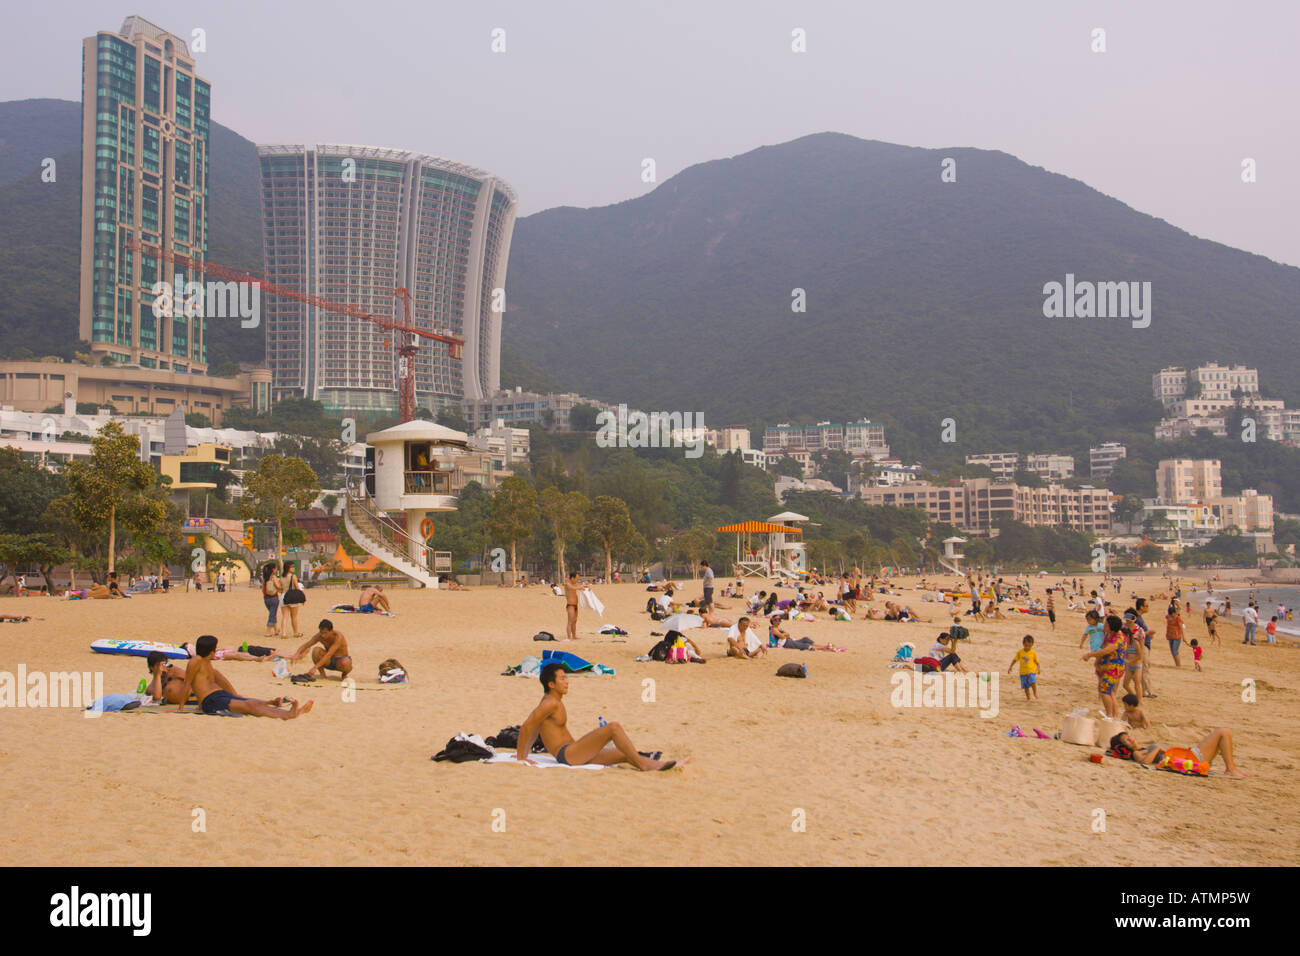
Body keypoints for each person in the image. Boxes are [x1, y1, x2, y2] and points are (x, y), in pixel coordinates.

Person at [516, 663, 679, 770]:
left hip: (576, 752)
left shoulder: (552, 701)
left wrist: (525, 752)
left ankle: (661, 765)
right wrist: (521, 756)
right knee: (613, 727)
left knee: (624, 754)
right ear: (551, 684)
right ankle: (645, 765)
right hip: (567, 755)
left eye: (567, 677)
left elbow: (536, 729)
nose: (567, 682)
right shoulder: (550, 703)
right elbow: (527, 726)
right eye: (563, 678)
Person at [175, 634, 311, 718]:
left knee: (249, 701)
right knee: (248, 706)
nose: (216, 650)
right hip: (211, 701)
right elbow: (188, 683)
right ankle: (288, 715)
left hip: (218, 695)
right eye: (214, 648)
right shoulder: (195, 661)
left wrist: (235, 694)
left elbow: (212, 681)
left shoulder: (208, 663)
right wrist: (180, 708)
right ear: (210, 650)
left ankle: (283, 708)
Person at [1108, 729, 1246, 779]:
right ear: (1124, 746)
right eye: (1127, 740)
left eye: (1129, 736)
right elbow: (1145, 762)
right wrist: (1158, 749)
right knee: (1223, 732)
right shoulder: (1137, 753)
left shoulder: (1142, 747)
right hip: (1188, 759)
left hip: (1187, 757)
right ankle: (1230, 769)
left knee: (1223, 735)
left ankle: (1231, 768)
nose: (1130, 739)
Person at [1083, 615, 1125, 718]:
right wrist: (1097, 661)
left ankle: (1110, 714)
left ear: (1111, 627)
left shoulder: (1119, 638)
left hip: (1114, 668)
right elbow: (1103, 648)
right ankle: (1114, 715)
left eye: (1106, 624)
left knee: (1105, 690)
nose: (1104, 625)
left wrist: (1090, 655)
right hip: (1106, 666)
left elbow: (1107, 650)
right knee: (1109, 692)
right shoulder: (1108, 634)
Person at [1120, 611, 1148, 698]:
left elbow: (1141, 648)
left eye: (1129, 620)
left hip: (1136, 661)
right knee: (1127, 684)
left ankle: (1139, 700)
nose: (1127, 622)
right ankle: (1135, 697)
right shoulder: (1125, 628)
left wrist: (1133, 659)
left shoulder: (1139, 631)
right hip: (1130, 661)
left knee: (1137, 683)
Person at [1008, 634, 1040, 700]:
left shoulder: (1033, 653)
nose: (1027, 647)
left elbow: (1037, 662)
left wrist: (1038, 669)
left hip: (1031, 671)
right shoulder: (1020, 652)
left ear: (1032, 645)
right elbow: (1014, 660)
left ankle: (1035, 693)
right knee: (1026, 687)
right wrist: (1010, 667)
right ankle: (1028, 698)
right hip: (1022, 673)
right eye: (1026, 646)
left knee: (1032, 681)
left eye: (1029, 646)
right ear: (1023, 644)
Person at [280, 563, 306, 639]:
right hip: (292, 596)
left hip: (283, 596)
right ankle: (295, 632)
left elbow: (279, 587)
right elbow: (297, 587)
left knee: (285, 616)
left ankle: (284, 633)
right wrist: (303, 598)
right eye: (292, 567)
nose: (294, 568)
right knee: (294, 616)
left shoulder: (282, 577)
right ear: (288, 568)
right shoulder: (293, 576)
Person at [260, 564, 283, 638]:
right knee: (272, 615)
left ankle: (276, 630)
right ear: (273, 569)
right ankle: (268, 632)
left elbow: (263, 590)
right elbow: (278, 586)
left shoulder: (265, 578)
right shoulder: (273, 577)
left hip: (266, 599)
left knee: (272, 613)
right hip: (274, 597)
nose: (276, 570)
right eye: (275, 569)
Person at [563, 572, 581, 641]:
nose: (577, 580)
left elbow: (579, 586)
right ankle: (568, 637)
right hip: (570, 605)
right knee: (570, 621)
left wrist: (587, 587)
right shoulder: (567, 584)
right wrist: (580, 587)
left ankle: (574, 636)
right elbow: (573, 588)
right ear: (572, 578)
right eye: (576, 578)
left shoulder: (575, 584)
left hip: (575, 605)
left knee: (574, 621)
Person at [1167, 602, 1186, 667]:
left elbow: (1181, 628)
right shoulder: (1168, 617)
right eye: (1170, 614)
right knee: (1172, 651)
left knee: (1175, 651)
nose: (1171, 615)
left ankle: (1179, 665)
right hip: (1170, 636)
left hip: (1177, 636)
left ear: (1175, 613)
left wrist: (1184, 637)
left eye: (1172, 614)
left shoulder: (1178, 618)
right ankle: (1176, 664)